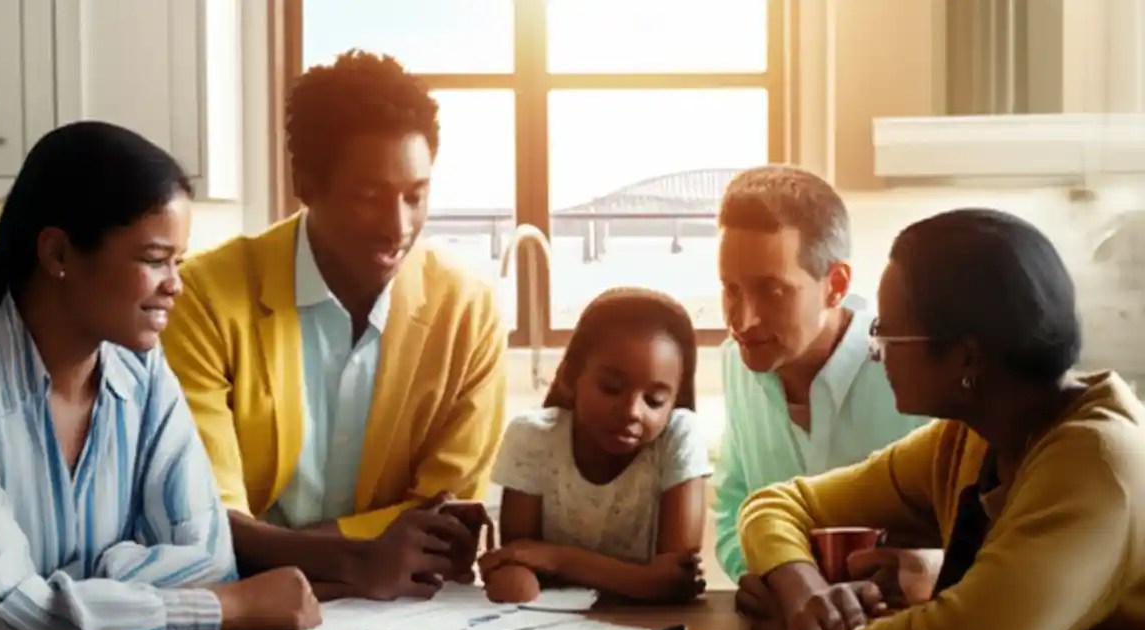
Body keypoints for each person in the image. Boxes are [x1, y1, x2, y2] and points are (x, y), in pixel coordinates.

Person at [0, 122, 319, 630]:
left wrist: (61, 591)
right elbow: (7, 623)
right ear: (58, 253)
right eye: (155, 260)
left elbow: (210, 559)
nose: (175, 286)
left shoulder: (145, 379)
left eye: (179, 261)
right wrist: (230, 608)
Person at [738, 208, 1145, 630]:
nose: (876, 353)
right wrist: (802, 593)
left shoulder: (1097, 468)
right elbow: (779, 503)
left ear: (967, 359)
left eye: (887, 333)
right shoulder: (969, 438)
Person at [160, 50, 499, 600]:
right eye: (368, 197)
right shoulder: (205, 298)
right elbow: (203, 523)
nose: (398, 227)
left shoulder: (468, 311)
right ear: (307, 184)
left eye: (416, 196)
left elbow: (447, 528)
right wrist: (364, 554)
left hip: (404, 616)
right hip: (240, 610)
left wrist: (274, 545)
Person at [713, 165, 926, 582]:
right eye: (731, 290)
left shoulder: (908, 367)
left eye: (771, 291)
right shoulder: (735, 361)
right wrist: (758, 576)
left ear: (836, 284)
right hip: (785, 623)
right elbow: (732, 506)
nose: (743, 319)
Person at [477, 288, 711, 602]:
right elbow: (519, 564)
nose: (631, 411)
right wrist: (640, 579)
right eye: (611, 388)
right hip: (553, 628)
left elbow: (675, 581)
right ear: (571, 379)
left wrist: (559, 559)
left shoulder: (679, 436)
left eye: (655, 401)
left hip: (650, 629)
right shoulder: (533, 437)